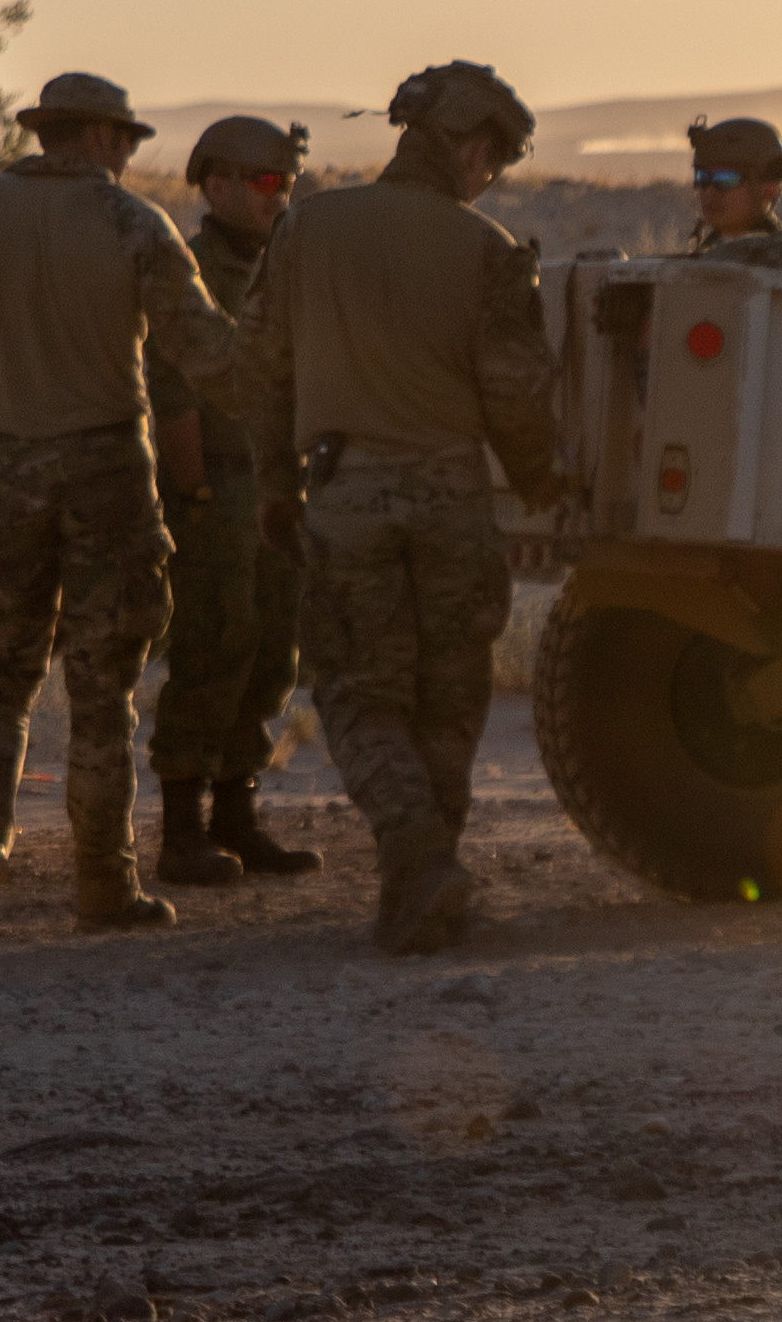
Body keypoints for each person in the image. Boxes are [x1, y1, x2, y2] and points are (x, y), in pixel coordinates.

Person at [0, 71, 241, 941]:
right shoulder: (131, 223)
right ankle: (103, 884)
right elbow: (206, 351)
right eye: (128, 142)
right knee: (102, 688)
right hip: (111, 468)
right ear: (107, 138)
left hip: (6, 468)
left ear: (47, 132)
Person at [240, 62, 562, 956]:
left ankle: (414, 870)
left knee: (358, 696)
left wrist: (274, 484)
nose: (488, 176)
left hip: (348, 496)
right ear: (470, 147)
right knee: (450, 698)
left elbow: (259, 367)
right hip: (455, 497)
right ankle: (424, 875)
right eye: (491, 159)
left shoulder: (306, 229)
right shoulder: (490, 249)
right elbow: (518, 395)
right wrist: (540, 483)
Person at [147, 113, 322, 888]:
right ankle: (183, 829)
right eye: (263, 181)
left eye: (287, 180)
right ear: (215, 186)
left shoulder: (290, 264)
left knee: (271, 647)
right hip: (218, 482)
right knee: (215, 642)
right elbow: (174, 391)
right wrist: (195, 490)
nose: (278, 193)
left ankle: (236, 814)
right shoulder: (193, 270)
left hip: (279, 482)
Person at [683, 116, 782, 246]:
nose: (709, 191)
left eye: (726, 179)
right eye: (702, 178)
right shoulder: (704, 257)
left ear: (769, 189)